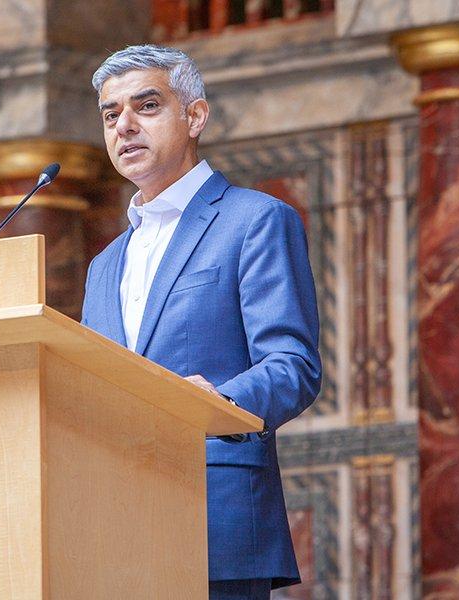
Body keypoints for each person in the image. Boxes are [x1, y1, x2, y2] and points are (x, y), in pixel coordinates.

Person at [81, 45, 323, 599]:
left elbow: (293, 366)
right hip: (111, 531)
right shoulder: (103, 265)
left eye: (146, 106)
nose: (124, 126)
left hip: (216, 519)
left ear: (195, 117)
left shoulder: (254, 220)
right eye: (111, 115)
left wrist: (214, 403)